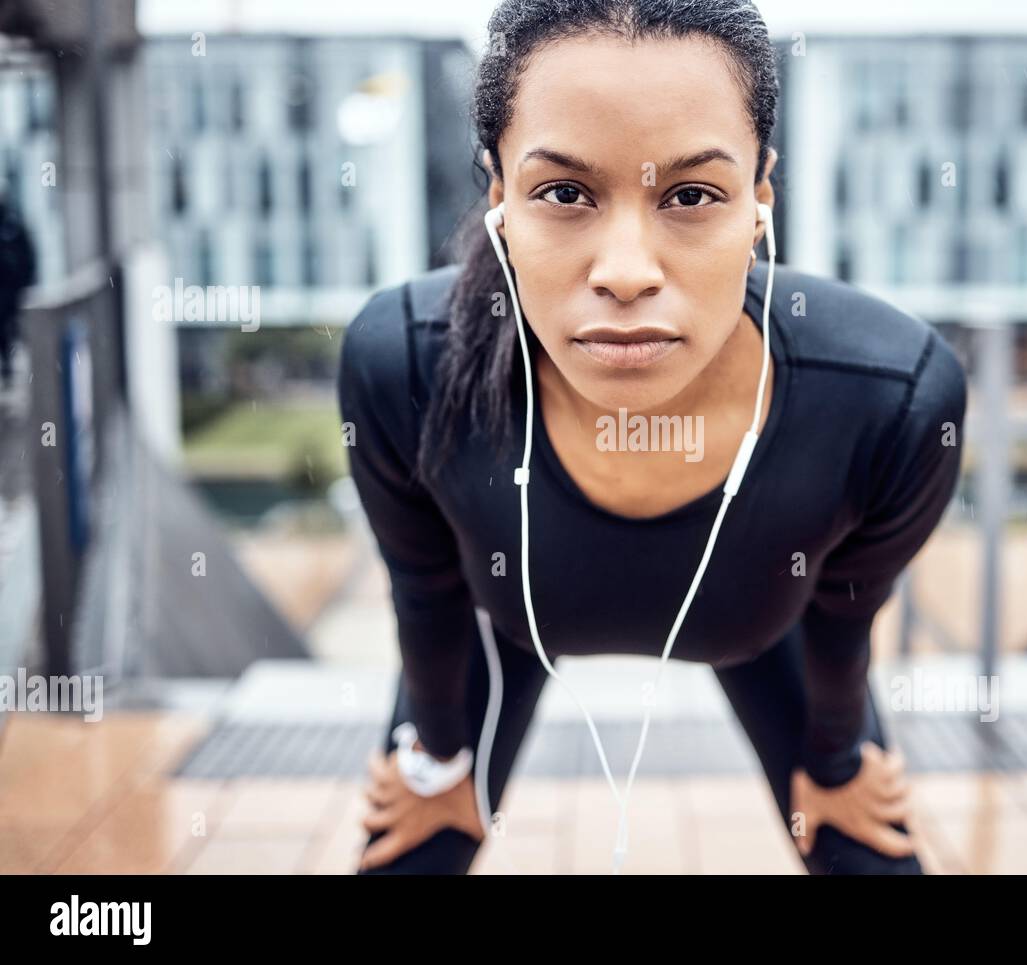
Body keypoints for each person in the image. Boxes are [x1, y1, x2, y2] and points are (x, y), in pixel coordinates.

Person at [337, 0, 967, 875]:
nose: (626, 273)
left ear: (760, 200)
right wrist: (440, 757)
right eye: (563, 192)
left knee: (870, 855)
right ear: (501, 205)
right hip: (498, 625)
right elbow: (427, 589)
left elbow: (846, 610)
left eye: (691, 194)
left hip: (765, 619)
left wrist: (832, 762)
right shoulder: (402, 364)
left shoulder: (891, 400)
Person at [0, 191, 36, 391]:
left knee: (10, 330)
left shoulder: (13, 227)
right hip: (9, 290)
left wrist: (26, 283)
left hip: (11, 290)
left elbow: (27, 257)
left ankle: (10, 367)